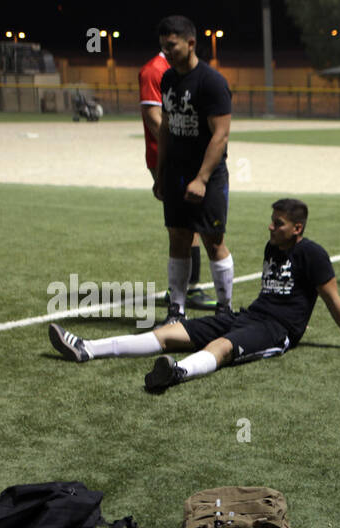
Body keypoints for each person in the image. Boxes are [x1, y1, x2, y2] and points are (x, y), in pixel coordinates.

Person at [47, 199, 340, 391]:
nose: (270, 227)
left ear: (297, 229)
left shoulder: (314, 255)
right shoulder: (272, 246)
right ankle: (87, 349)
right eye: (271, 221)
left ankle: (176, 373)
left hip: (276, 331)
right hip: (249, 315)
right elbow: (284, 293)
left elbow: (333, 300)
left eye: (277, 223)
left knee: (221, 347)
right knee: (169, 332)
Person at [153, 15, 234, 321]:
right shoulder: (168, 79)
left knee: (214, 242)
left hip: (208, 177)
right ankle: (177, 308)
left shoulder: (212, 82)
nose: (167, 52)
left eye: (171, 45)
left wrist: (202, 178)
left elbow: (221, 135)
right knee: (177, 237)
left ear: (190, 43)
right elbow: (166, 128)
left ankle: (225, 309)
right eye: (163, 47)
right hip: (176, 174)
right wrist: (161, 174)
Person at [140, 48, 215, 310]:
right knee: (182, 225)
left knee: (188, 223)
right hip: (168, 158)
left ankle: (186, 288)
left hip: (184, 158)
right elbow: (153, 117)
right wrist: (176, 152)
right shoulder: (154, 70)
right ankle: (187, 290)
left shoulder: (184, 72)